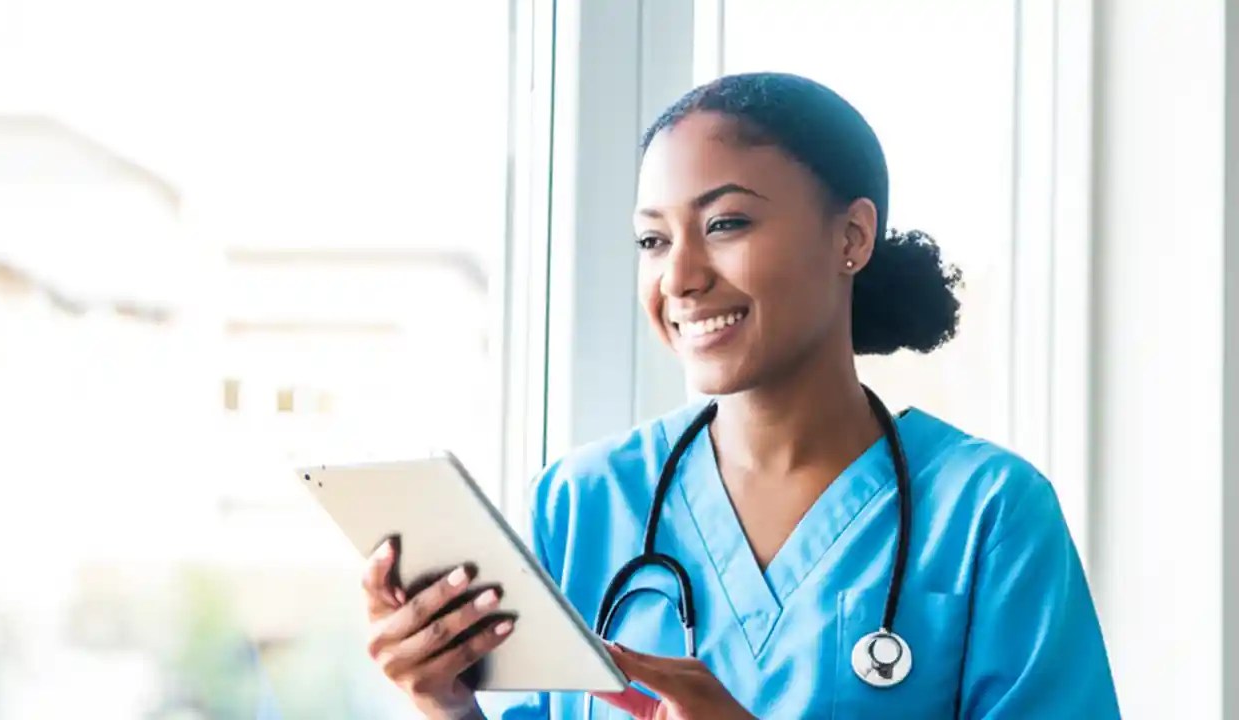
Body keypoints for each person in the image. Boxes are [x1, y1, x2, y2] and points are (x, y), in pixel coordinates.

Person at [359, 72, 1121, 719]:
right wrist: (446, 703)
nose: (681, 277)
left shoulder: (987, 513)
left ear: (852, 237)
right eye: (653, 240)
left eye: (725, 223)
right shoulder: (583, 501)